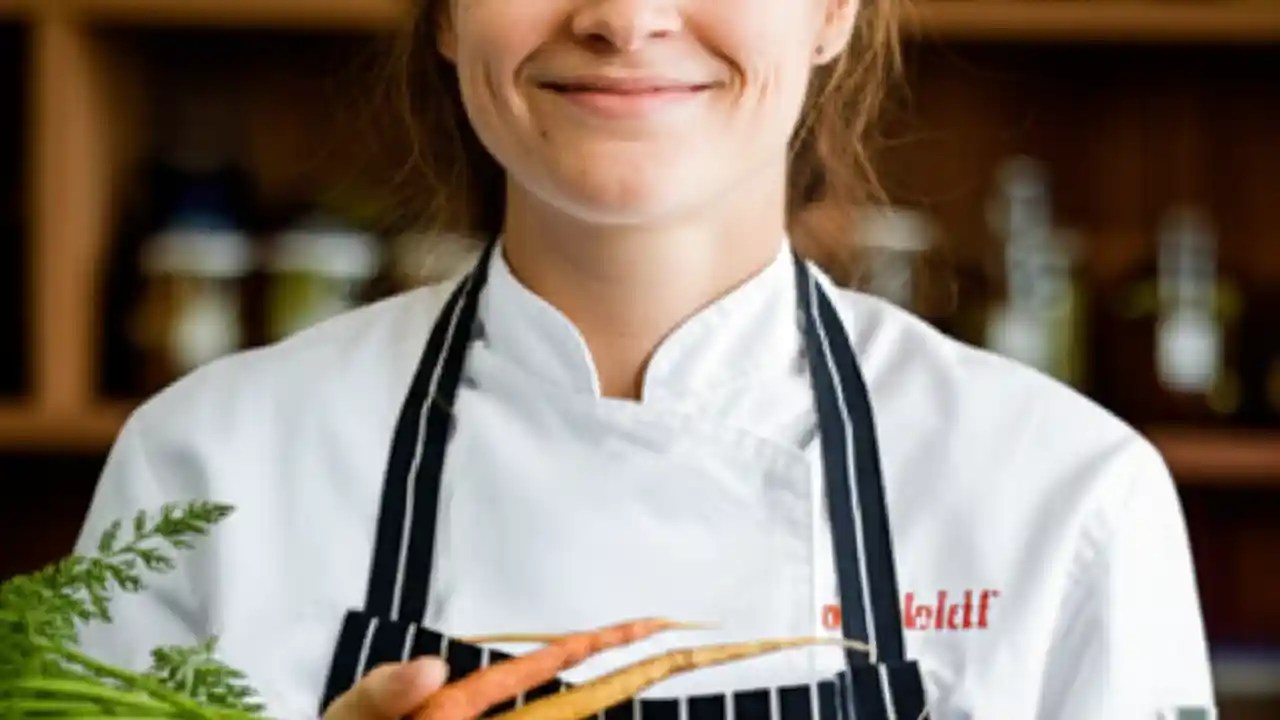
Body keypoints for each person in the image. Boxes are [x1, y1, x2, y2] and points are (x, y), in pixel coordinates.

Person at [73, 0, 1217, 718]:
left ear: (833, 11)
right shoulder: (203, 467)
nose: (625, 17)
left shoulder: (1064, 495)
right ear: (441, 14)